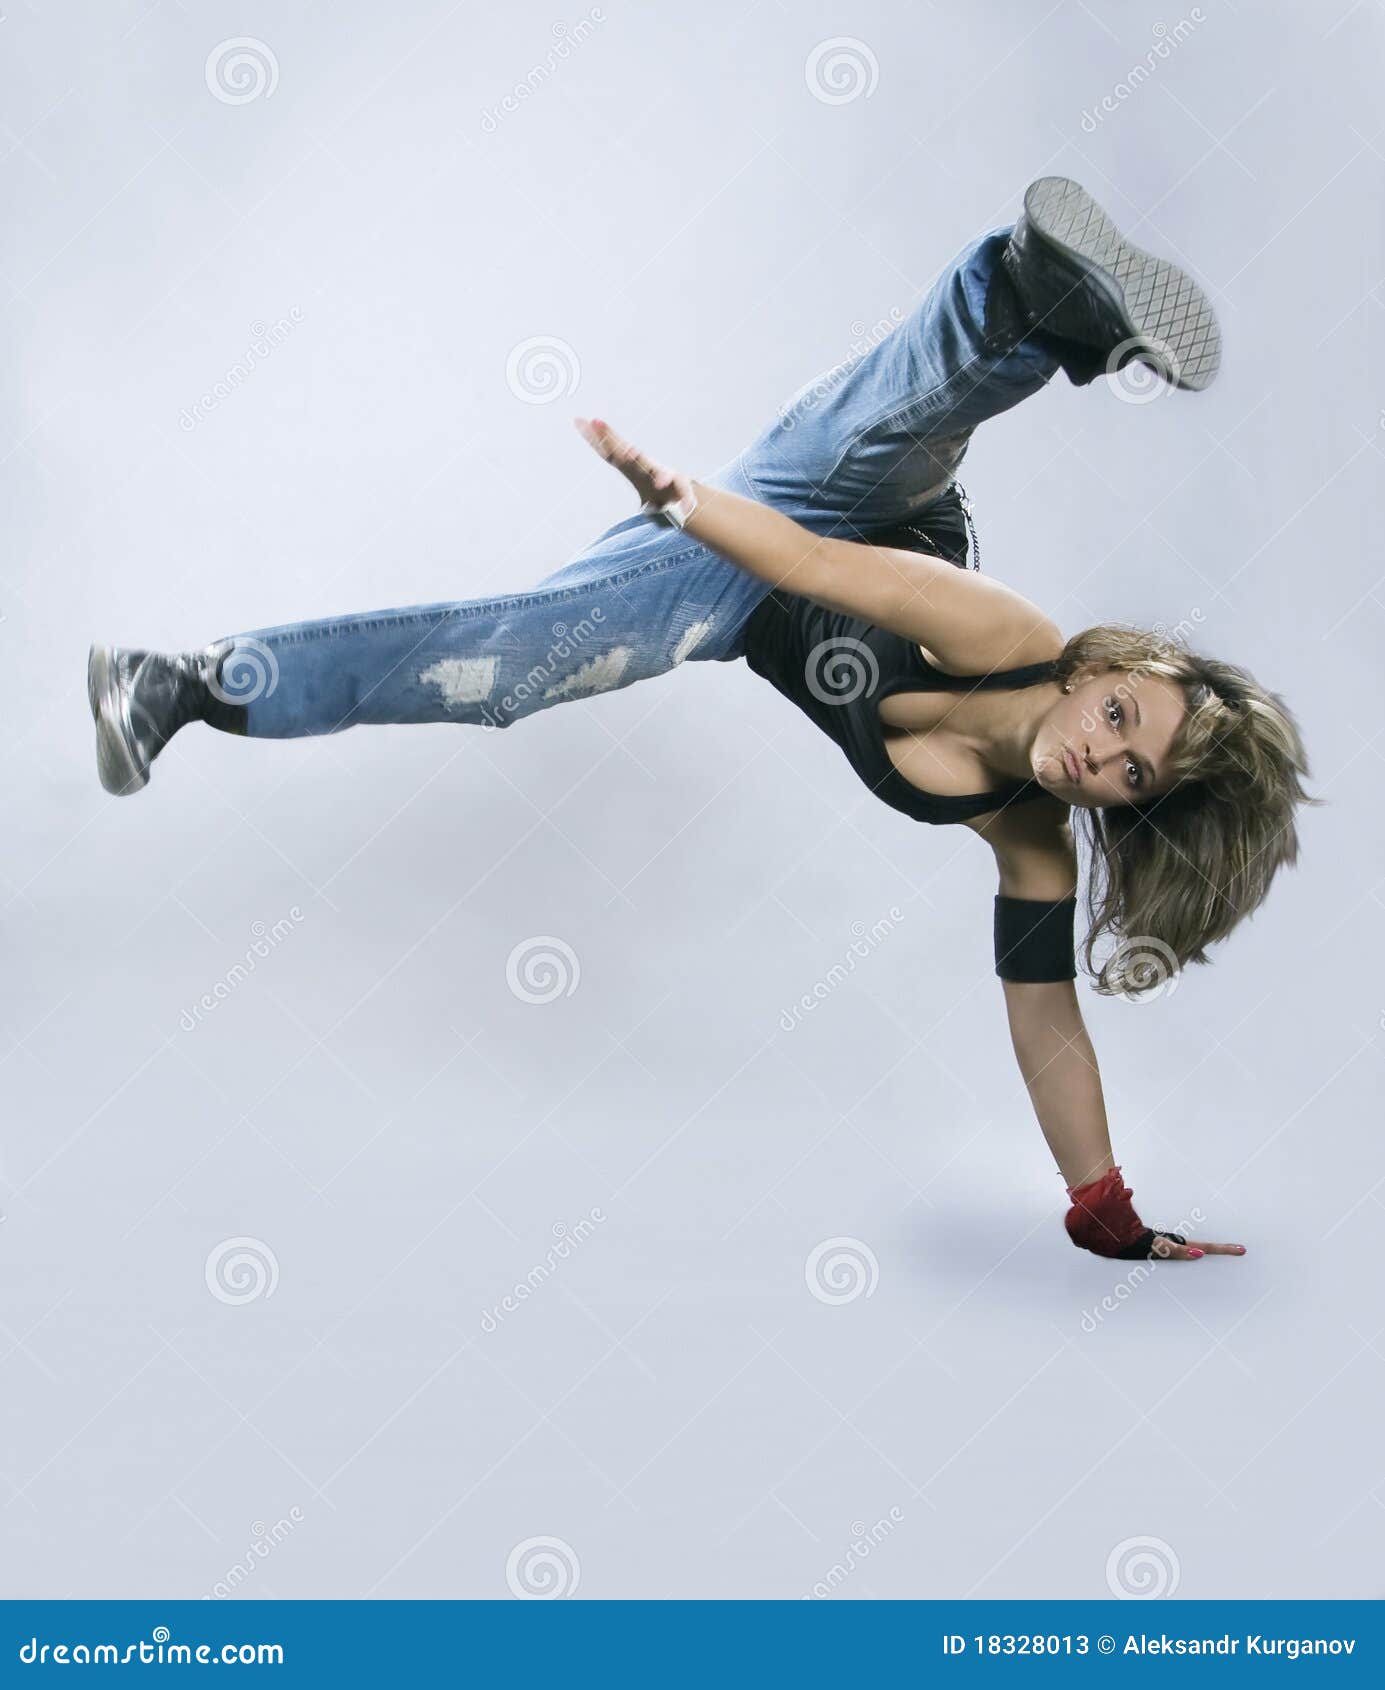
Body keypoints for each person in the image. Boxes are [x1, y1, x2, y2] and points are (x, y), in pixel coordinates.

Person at [88, 178, 1310, 1262]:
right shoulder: (1006, 640)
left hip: (734, 603)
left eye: (1129, 777)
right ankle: (1023, 292)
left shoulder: (1026, 836)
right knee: (889, 439)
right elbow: (823, 567)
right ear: (1108, 666)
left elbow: (1045, 1023)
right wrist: (682, 500)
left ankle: (180, 682)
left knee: (516, 671)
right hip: (801, 520)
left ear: (1127, 810)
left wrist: (1102, 1208)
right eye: (1116, 714)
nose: (1098, 753)